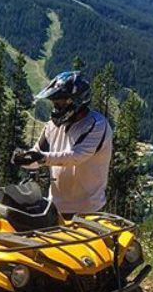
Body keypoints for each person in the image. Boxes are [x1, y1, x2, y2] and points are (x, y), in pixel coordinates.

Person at [11, 70, 112, 216]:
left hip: (88, 210)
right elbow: (37, 155)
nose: (55, 108)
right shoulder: (52, 126)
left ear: (76, 101)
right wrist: (23, 159)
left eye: (59, 103)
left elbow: (76, 156)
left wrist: (41, 158)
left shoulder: (97, 125)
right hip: (55, 208)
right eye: (54, 103)